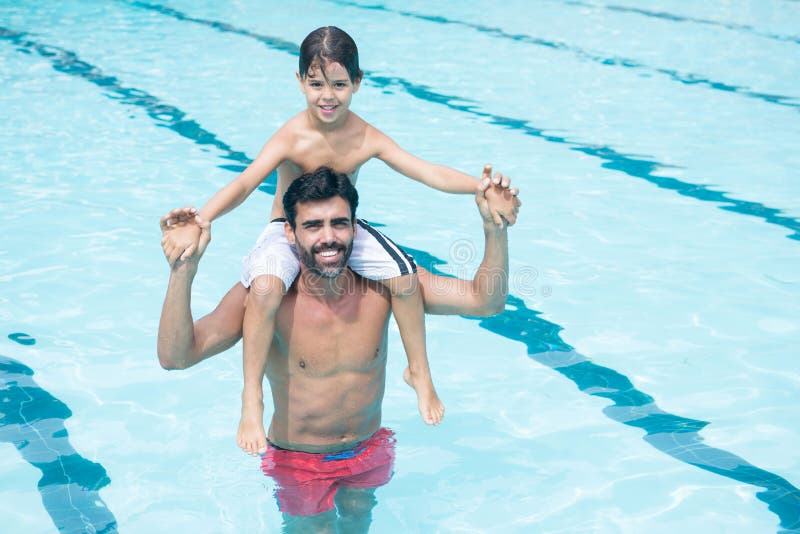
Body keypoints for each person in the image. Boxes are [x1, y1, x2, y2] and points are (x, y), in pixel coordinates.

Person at [160, 26, 521, 455]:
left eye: (338, 84)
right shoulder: (292, 135)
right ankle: (250, 396)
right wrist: (201, 221)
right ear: (300, 83)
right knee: (266, 287)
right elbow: (244, 183)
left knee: (404, 275)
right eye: (315, 84)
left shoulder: (365, 136)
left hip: (369, 451)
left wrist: (480, 192)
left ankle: (419, 371)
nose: (326, 96)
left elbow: (425, 172)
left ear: (357, 83)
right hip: (282, 229)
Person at [158, 166, 514, 529]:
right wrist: (182, 271)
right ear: (290, 233)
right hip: (299, 460)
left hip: (369, 448)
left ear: (355, 228)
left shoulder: (386, 286)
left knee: (359, 521)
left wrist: (494, 229)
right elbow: (176, 357)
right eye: (312, 225)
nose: (328, 237)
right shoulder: (265, 301)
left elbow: (485, 303)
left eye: (339, 223)